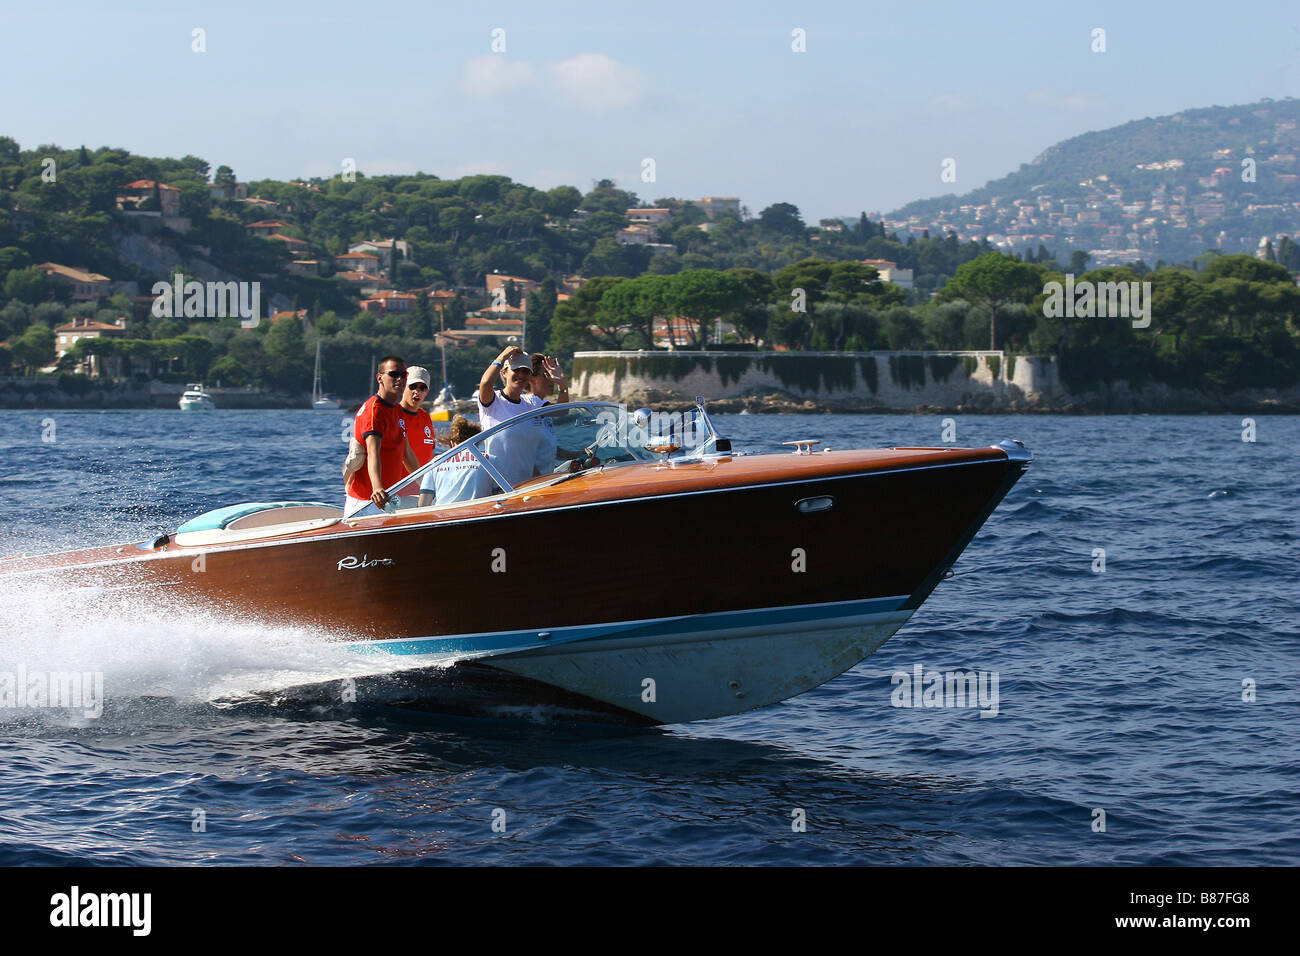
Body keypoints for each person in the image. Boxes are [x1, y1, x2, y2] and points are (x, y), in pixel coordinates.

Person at [344, 356, 418, 517]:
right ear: (380, 378)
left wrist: (426, 483)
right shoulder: (374, 410)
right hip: (366, 502)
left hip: (389, 500)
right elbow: (373, 453)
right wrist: (377, 488)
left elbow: (407, 454)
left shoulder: (397, 410)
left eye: (403, 375)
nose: (399, 379)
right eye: (393, 374)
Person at [477, 345, 547, 486]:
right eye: (516, 370)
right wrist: (501, 357)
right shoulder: (493, 401)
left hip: (526, 486)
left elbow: (563, 413)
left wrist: (562, 385)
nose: (521, 375)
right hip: (497, 487)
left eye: (525, 371)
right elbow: (485, 383)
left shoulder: (531, 404)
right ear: (504, 372)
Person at [418, 415, 491, 507]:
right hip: (478, 515)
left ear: (452, 443)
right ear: (477, 443)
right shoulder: (489, 460)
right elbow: (502, 496)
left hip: (443, 518)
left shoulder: (436, 462)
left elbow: (423, 504)